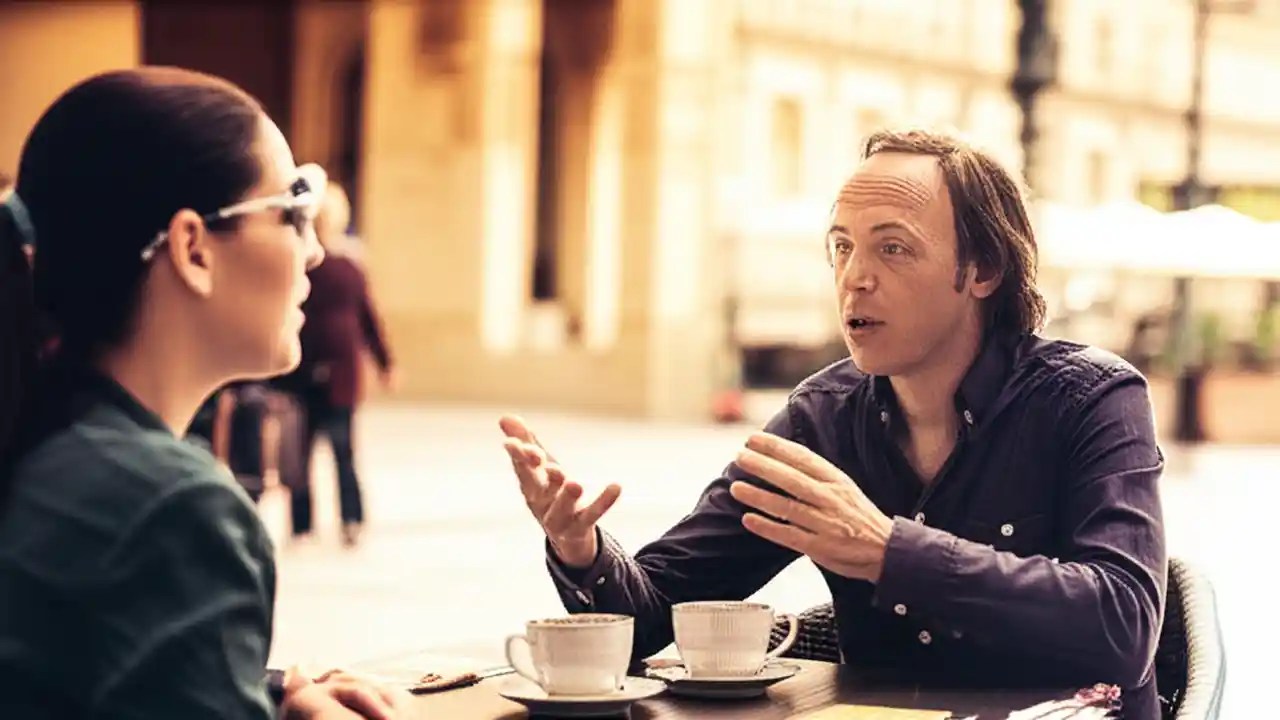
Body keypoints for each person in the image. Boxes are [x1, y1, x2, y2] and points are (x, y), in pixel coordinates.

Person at [501, 129, 1167, 719]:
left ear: (983, 269)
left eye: (894, 249)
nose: (855, 278)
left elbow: (1125, 626)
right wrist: (580, 547)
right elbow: (652, 616)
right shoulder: (822, 419)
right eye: (842, 247)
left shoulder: (1092, 398)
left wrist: (889, 551)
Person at [0, 67, 409, 719]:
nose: (312, 253)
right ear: (193, 247)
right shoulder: (171, 508)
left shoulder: (44, 438)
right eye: (293, 210)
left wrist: (264, 694)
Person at [277, 182, 394, 547]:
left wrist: (384, 361)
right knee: (308, 454)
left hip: (331, 374)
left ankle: (343, 521)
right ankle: (314, 524)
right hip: (308, 372)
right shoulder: (308, 264)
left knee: (336, 451)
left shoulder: (345, 267)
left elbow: (367, 319)